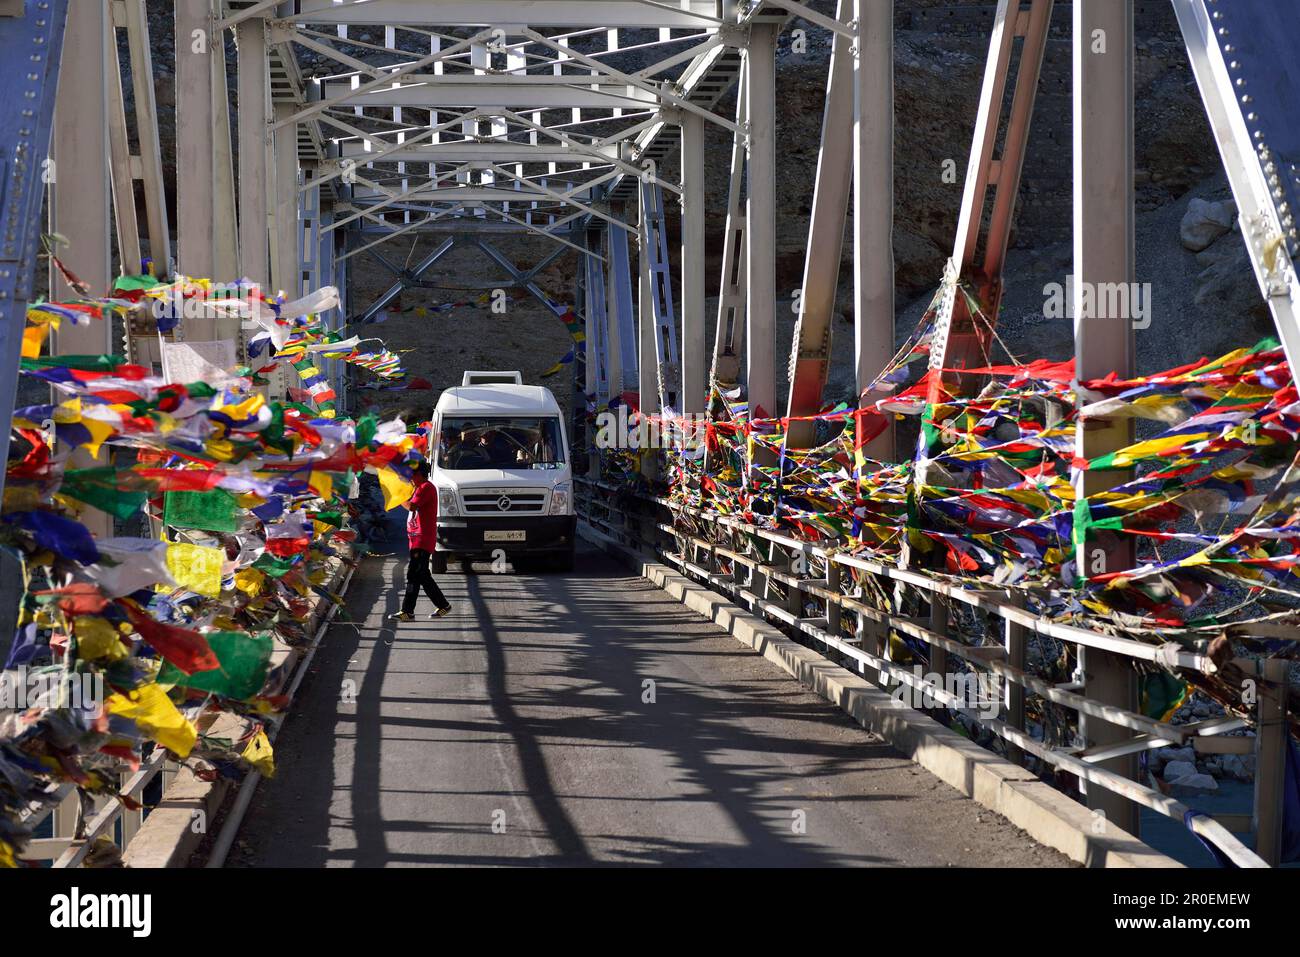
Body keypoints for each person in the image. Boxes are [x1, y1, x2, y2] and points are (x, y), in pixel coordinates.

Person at [388, 460, 452, 622]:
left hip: (422, 539)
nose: (410, 477)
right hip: (416, 539)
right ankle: (442, 606)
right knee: (422, 575)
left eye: (412, 474)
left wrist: (397, 498)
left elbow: (412, 507)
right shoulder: (419, 488)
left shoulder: (426, 488)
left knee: (414, 574)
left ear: (420, 474)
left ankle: (407, 611)